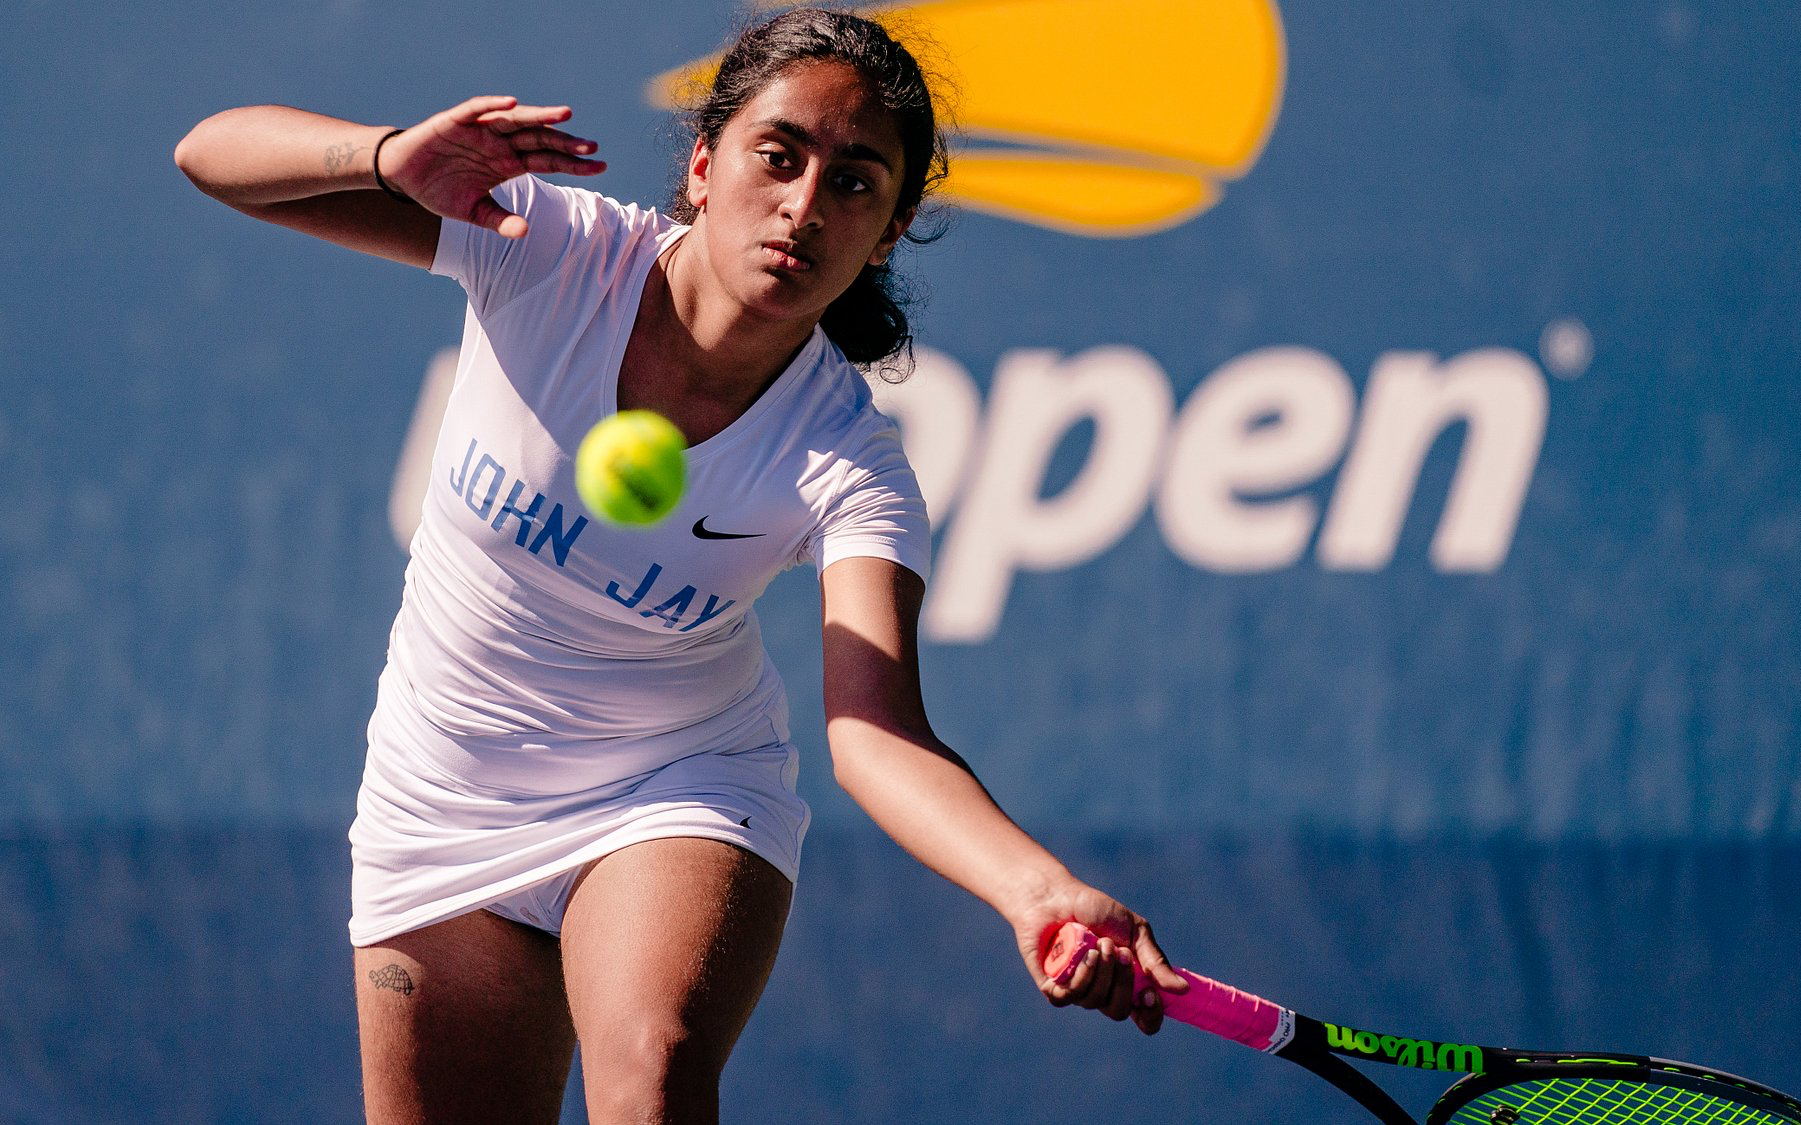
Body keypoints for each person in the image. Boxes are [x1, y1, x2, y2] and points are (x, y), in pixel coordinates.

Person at [174, 8, 1184, 1123]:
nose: (805, 204)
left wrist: (1036, 890)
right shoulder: (548, 251)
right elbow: (210, 155)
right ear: (703, 166)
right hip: (440, 796)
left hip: (672, 789)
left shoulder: (849, 464)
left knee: (652, 1071)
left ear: (886, 233)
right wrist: (383, 157)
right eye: (778, 155)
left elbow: (875, 733)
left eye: (854, 183)